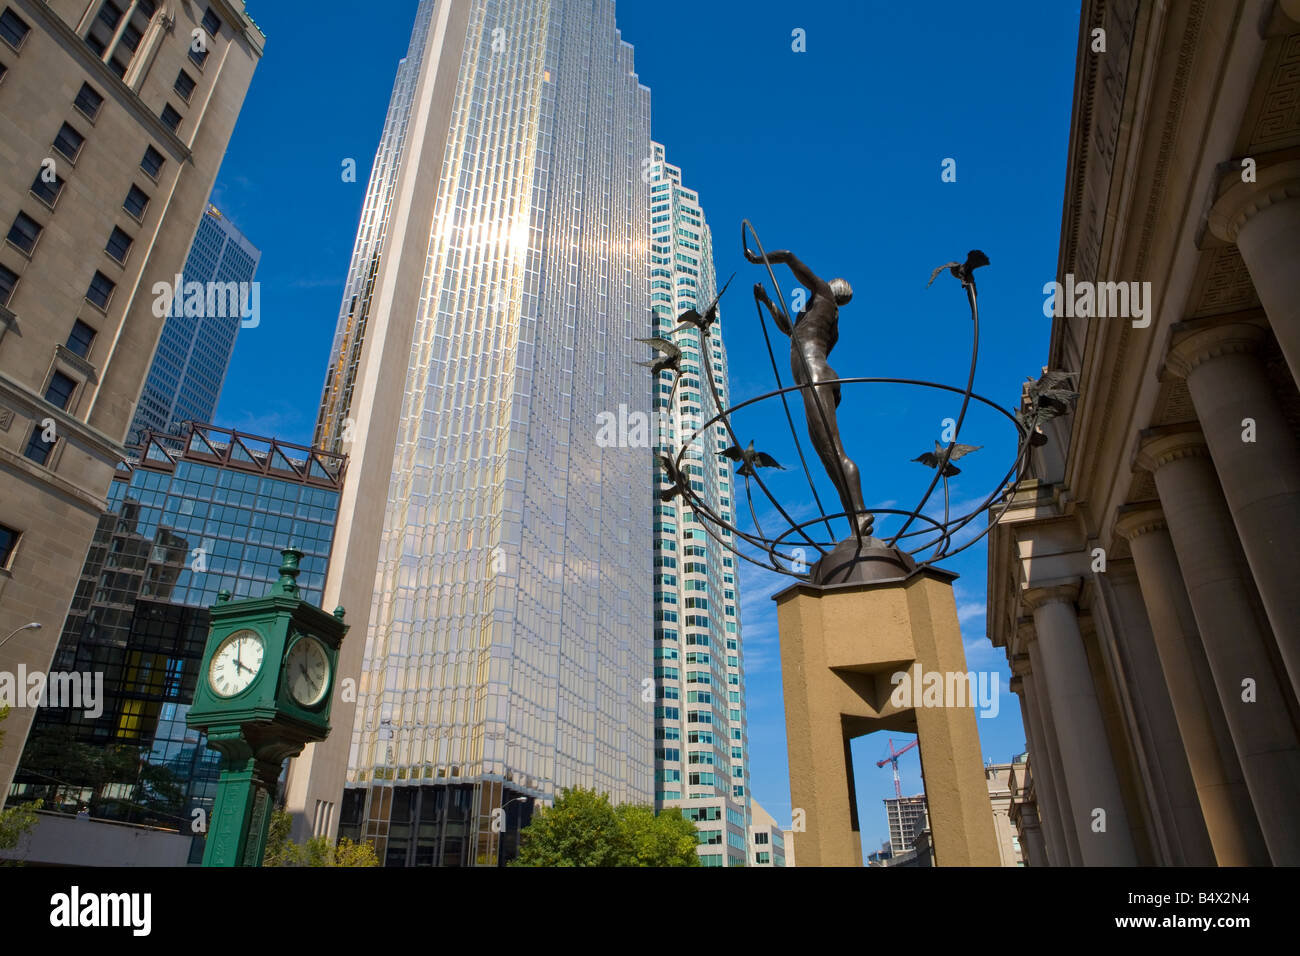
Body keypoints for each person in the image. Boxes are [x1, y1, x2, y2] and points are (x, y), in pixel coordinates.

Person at [748, 245, 873, 537]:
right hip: (811, 382)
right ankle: (855, 520)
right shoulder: (814, 313)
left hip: (817, 378)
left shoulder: (823, 296)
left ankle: (862, 512)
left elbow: (790, 257)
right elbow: (789, 331)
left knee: (834, 450)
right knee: (827, 457)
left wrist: (760, 259)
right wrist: (767, 301)